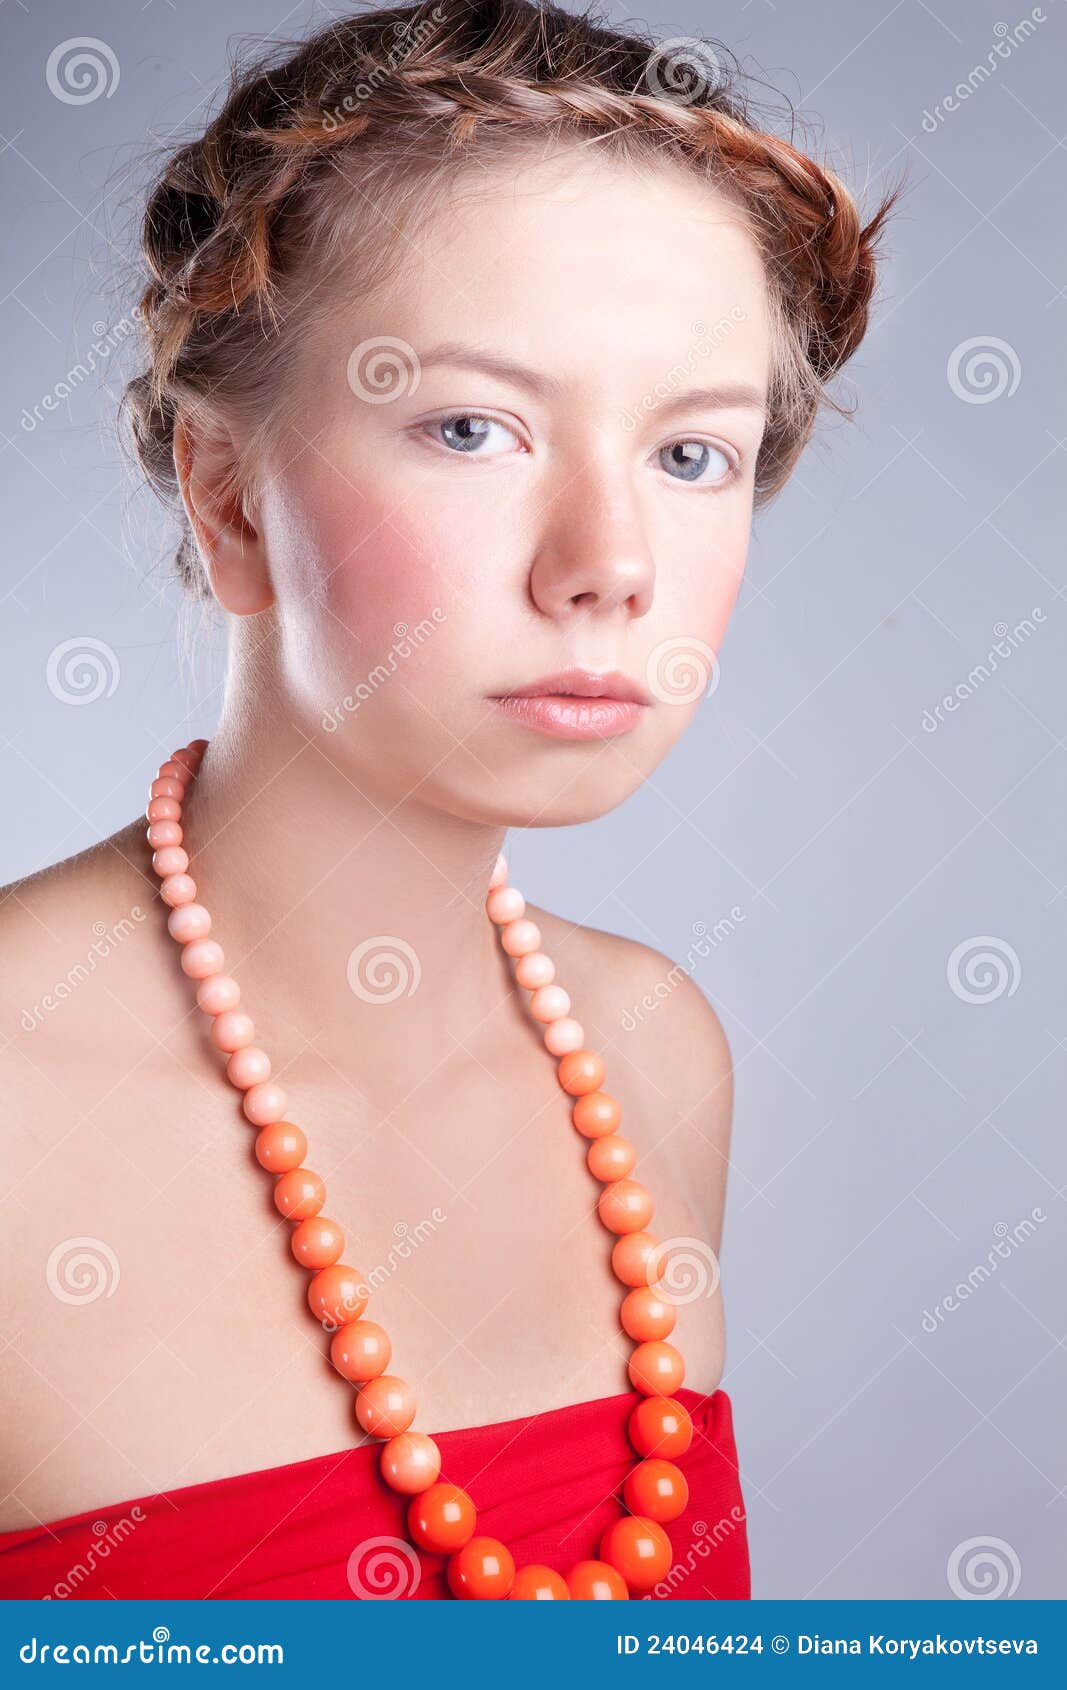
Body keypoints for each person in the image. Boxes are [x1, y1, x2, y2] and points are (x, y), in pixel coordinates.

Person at [0, 0, 897, 1599]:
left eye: (694, 455)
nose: (609, 565)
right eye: (472, 428)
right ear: (228, 497)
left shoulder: (650, 1050)